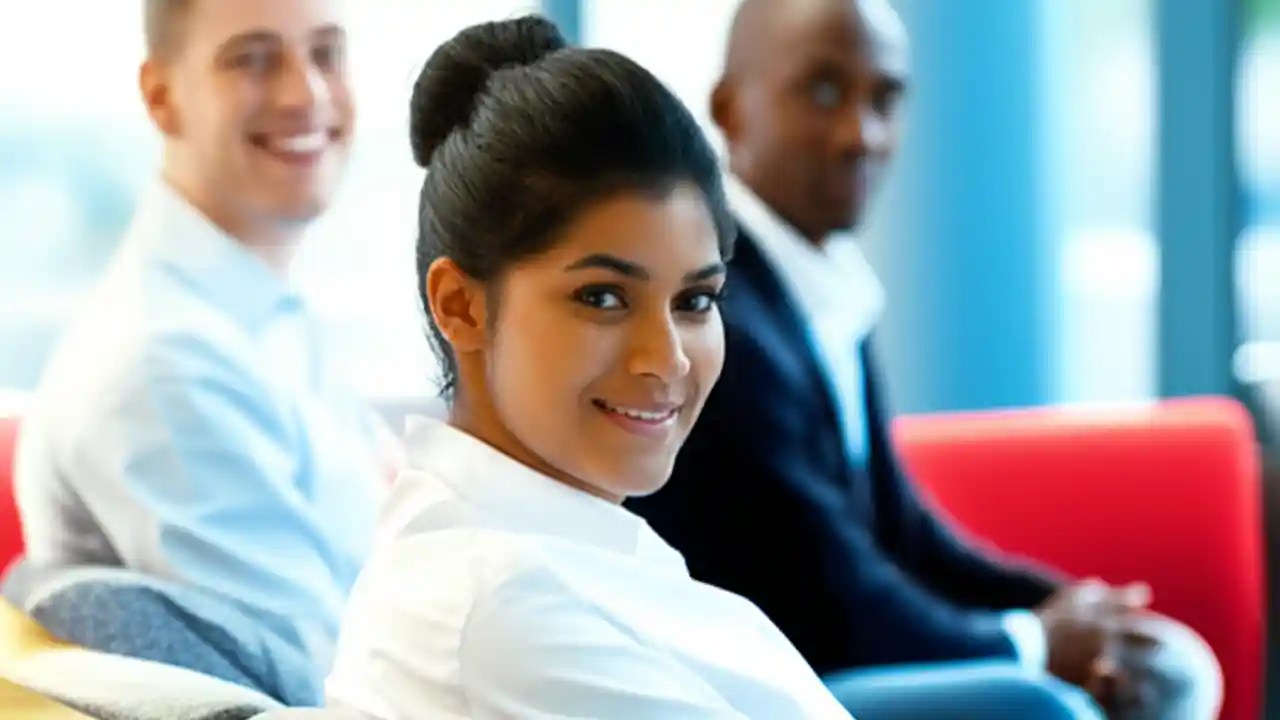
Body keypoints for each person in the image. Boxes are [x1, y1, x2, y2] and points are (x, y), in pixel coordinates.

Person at [629, 1, 1223, 718]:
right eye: (823, 91)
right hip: (777, 688)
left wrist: (1066, 608)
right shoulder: (723, 316)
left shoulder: (819, 285)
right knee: (1047, 705)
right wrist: (1032, 642)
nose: (862, 133)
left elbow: (906, 535)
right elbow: (836, 598)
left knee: (1169, 664)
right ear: (729, 109)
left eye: (886, 99)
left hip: (846, 657)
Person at [325, 16, 854, 719]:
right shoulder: (500, 611)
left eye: (695, 300)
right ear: (462, 307)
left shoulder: (565, 552)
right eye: (602, 298)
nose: (665, 358)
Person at [14, 0, 389, 702]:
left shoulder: (259, 307)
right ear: (161, 96)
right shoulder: (165, 367)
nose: (304, 93)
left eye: (326, 53)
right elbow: (332, 690)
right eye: (251, 59)